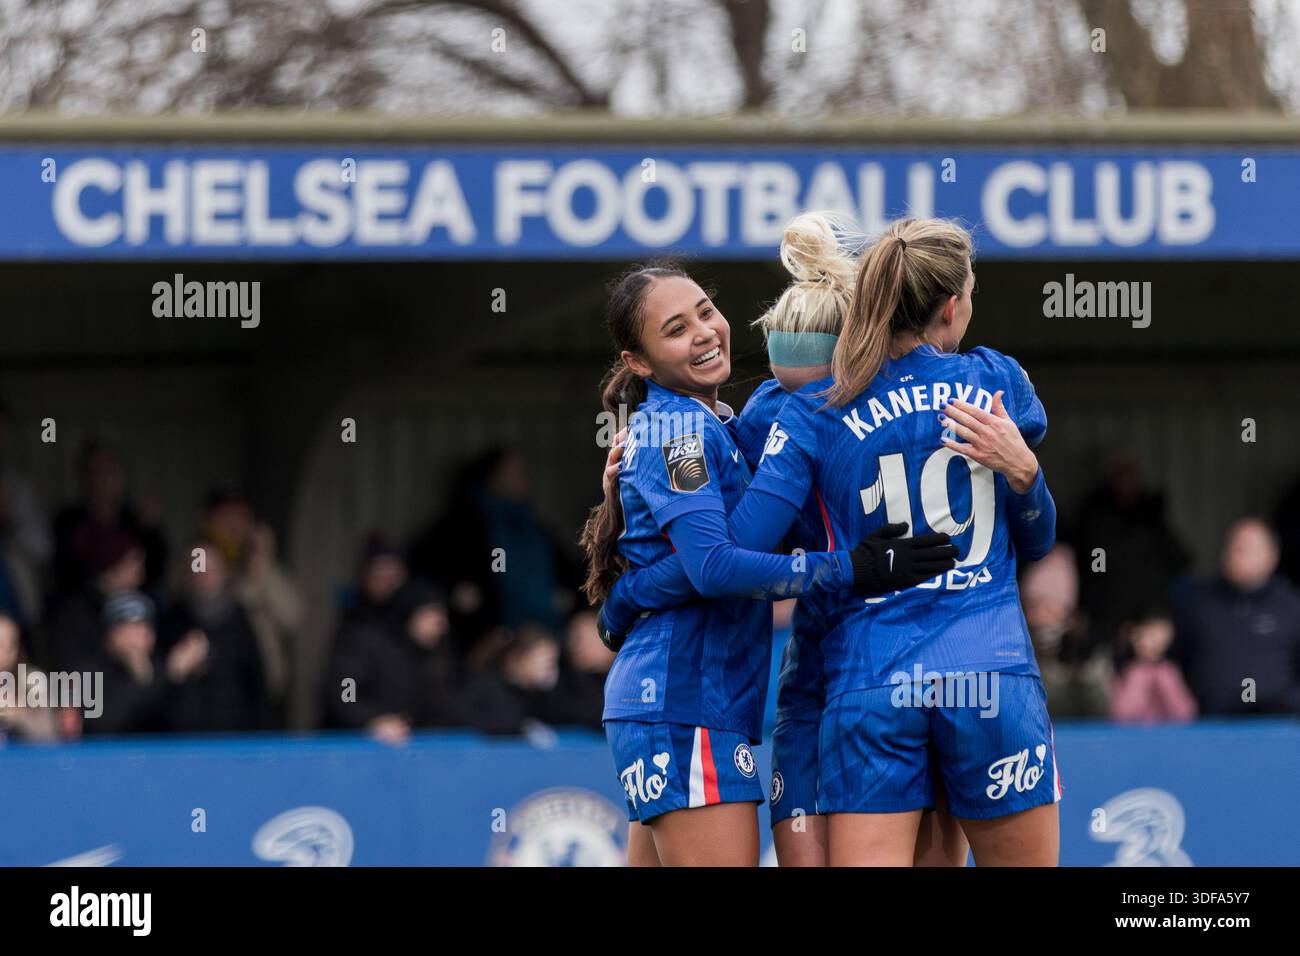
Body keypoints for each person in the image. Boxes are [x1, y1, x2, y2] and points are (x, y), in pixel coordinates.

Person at [599, 213, 974, 867]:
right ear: (636, 360)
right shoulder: (679, 433)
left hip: (681, 706)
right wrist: (852, 567)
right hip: (684, 704)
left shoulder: (718, 422)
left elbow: (688, 560)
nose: (704, 333)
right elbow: (715, 566)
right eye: (675, 329)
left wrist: (629, 594)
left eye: (705, 311)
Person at [707, 217, 1059, 865]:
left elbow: (736, 555)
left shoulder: (806, 409)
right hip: (988, 672)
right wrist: (1029, 476)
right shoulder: (994, 380)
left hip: (867, 680)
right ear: (951, 306)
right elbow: (1037, 543)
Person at [1172, 517, 1300, 716]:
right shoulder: (1198, 603)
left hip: (1278, 730)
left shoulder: (1291, 606)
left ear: (1272, 557)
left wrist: (1288, 701)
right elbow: (1175, 659)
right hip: (1210, 729)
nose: (1236, 554)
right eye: (1232, 546)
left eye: (1246, 548)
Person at [323, 578, 460, 742]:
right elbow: (344, 692)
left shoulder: (434, 654)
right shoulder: (366, 644)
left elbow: (442, 705)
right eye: (431, 615)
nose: (440, 625)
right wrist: (371, 721)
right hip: (354, 746)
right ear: (410, 614)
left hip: (413, 749)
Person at [157, 539, 271, 733]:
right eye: (195, 569)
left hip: (235, 737)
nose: (202, 576)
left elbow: (258, 687)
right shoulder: (171, 621)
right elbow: (156, 689)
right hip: (181, 738)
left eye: (209, 569)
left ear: (225, 572)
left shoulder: (241, 620)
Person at [82, 591, 205, 736]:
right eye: (129, 626)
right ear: (110, 634)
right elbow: (103, 728)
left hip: (161, 756)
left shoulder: (163, 668)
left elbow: (190, 726)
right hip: (112, 757)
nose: (140, 634)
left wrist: (179, 678)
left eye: (145, 626)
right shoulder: (89, 673)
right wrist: (140, 681)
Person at [1109, 607, 1197, 723]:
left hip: (1166, 736)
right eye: (1150, 634)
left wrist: (1165, 680)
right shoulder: (1124, 671)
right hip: (1132, 737)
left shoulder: (1169, 671)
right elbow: (1121, 714)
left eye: (1160, 636)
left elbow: (1186, 713)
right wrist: (1139, 675)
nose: (1155, 642)